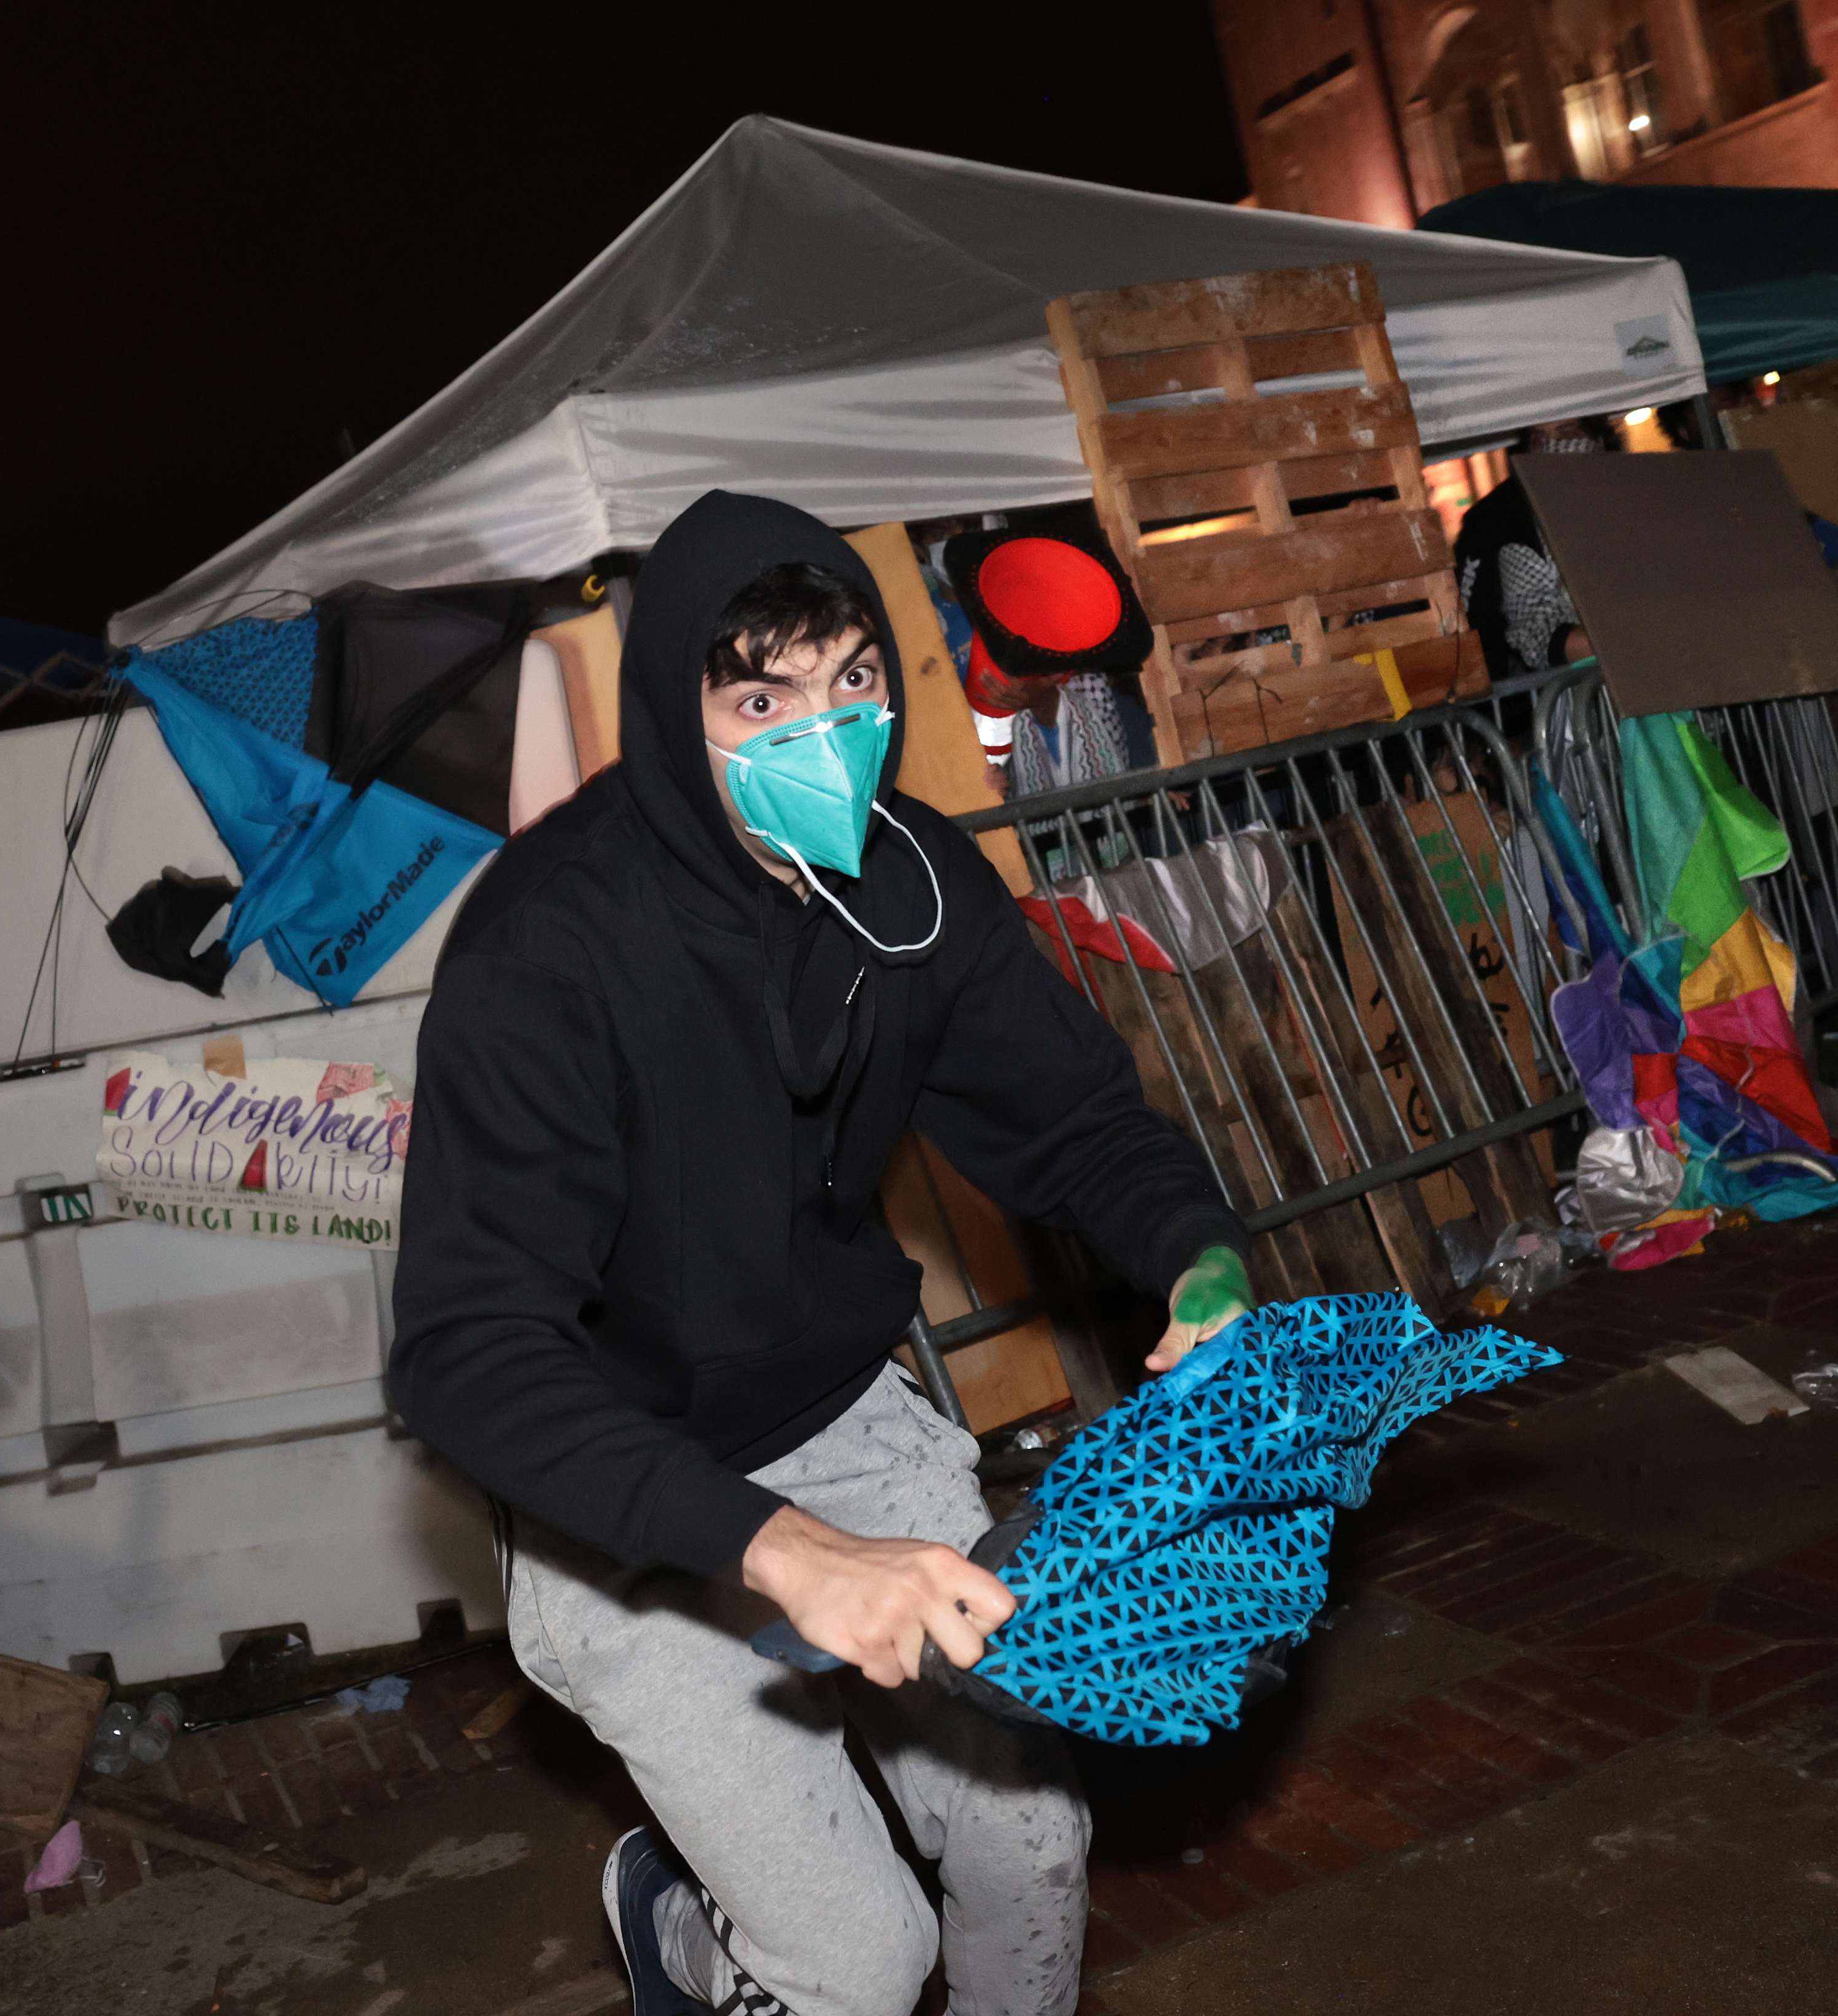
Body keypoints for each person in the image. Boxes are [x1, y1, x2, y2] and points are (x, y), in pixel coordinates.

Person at [388, 491, 1254, 2016]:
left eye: (857, 679)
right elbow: (467, 1350)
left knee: (1032, 1842)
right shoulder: (548, 948)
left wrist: (1199, 1264)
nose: (827, 732)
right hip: (618, 1478)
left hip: (833, 1407)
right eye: (764, 697)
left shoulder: (910, 886)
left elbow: (1077, 1126)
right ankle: (692, 1942)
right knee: (862, 1957)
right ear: (681, 708)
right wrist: (785, 1550)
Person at [1451, 413, 1619, 684]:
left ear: (1598, 439)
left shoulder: (1636, 501)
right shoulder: (1509, 521)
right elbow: (1534, 631)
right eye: (1540, 440)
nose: (1555, 448)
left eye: (1568, 433)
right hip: (1583, 699)